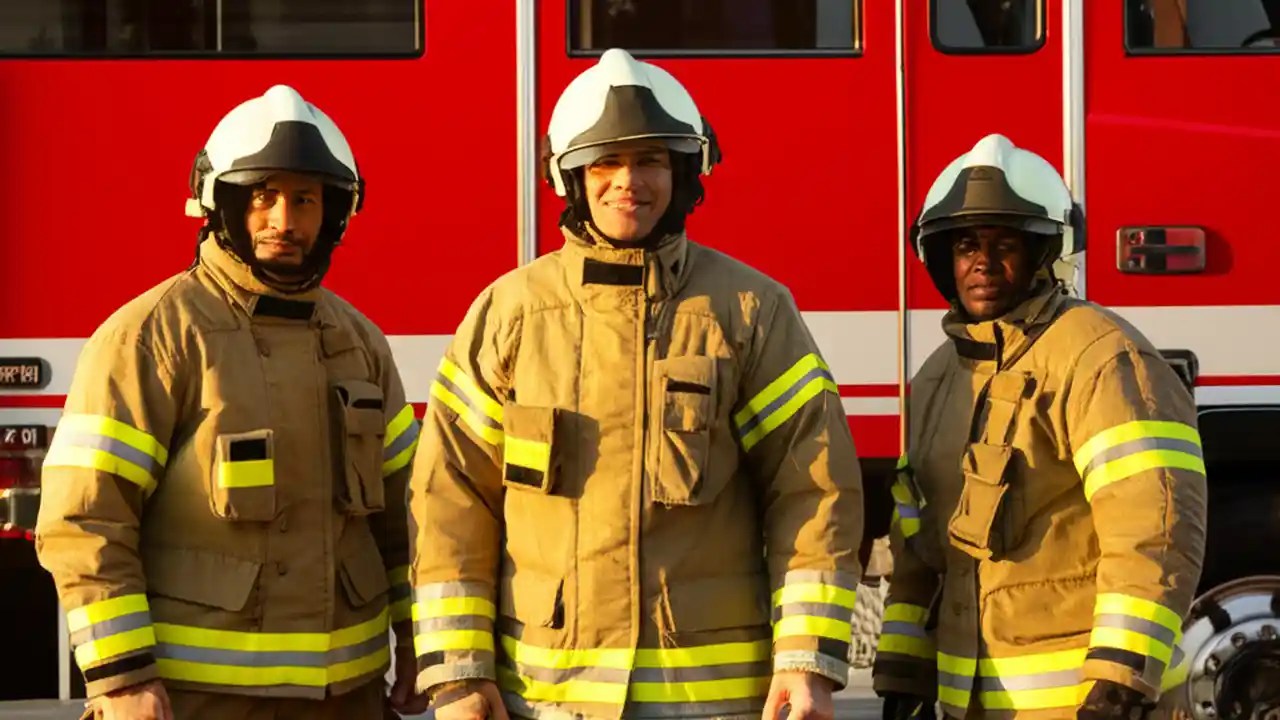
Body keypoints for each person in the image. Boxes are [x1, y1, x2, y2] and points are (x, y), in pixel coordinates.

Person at [407, 48, 865, 720]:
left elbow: (813, 489)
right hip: (548, 699)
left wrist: (805, 660)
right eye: (606, 163)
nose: (628, 182)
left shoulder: (751, 312)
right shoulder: (509, 315)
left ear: (683, 174)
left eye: (650, 160)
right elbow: (450, 500)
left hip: (708, 702)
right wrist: (458, 676)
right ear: (572, 177)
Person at [35, 84, 427, 720]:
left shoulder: (360, 343)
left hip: (348, 698)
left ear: (333, 214)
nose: (284, 220)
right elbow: (87, 518)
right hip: (201, 701)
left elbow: (410, 522)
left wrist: (420, 644)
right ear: (223, 205)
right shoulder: (153, 337)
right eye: (263, 196)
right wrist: (123, 678)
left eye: (305, 199)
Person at [871, 133, 1208, 719]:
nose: (982, 262)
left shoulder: (1102, 358)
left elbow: (1153, 525)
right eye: (966, 245)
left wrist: (1122, 675)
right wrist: (904, 670)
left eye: (1005, 244)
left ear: (1043, 255)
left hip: (1088, 702)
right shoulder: (937, 380)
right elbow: (917, 546)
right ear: (944, 260)